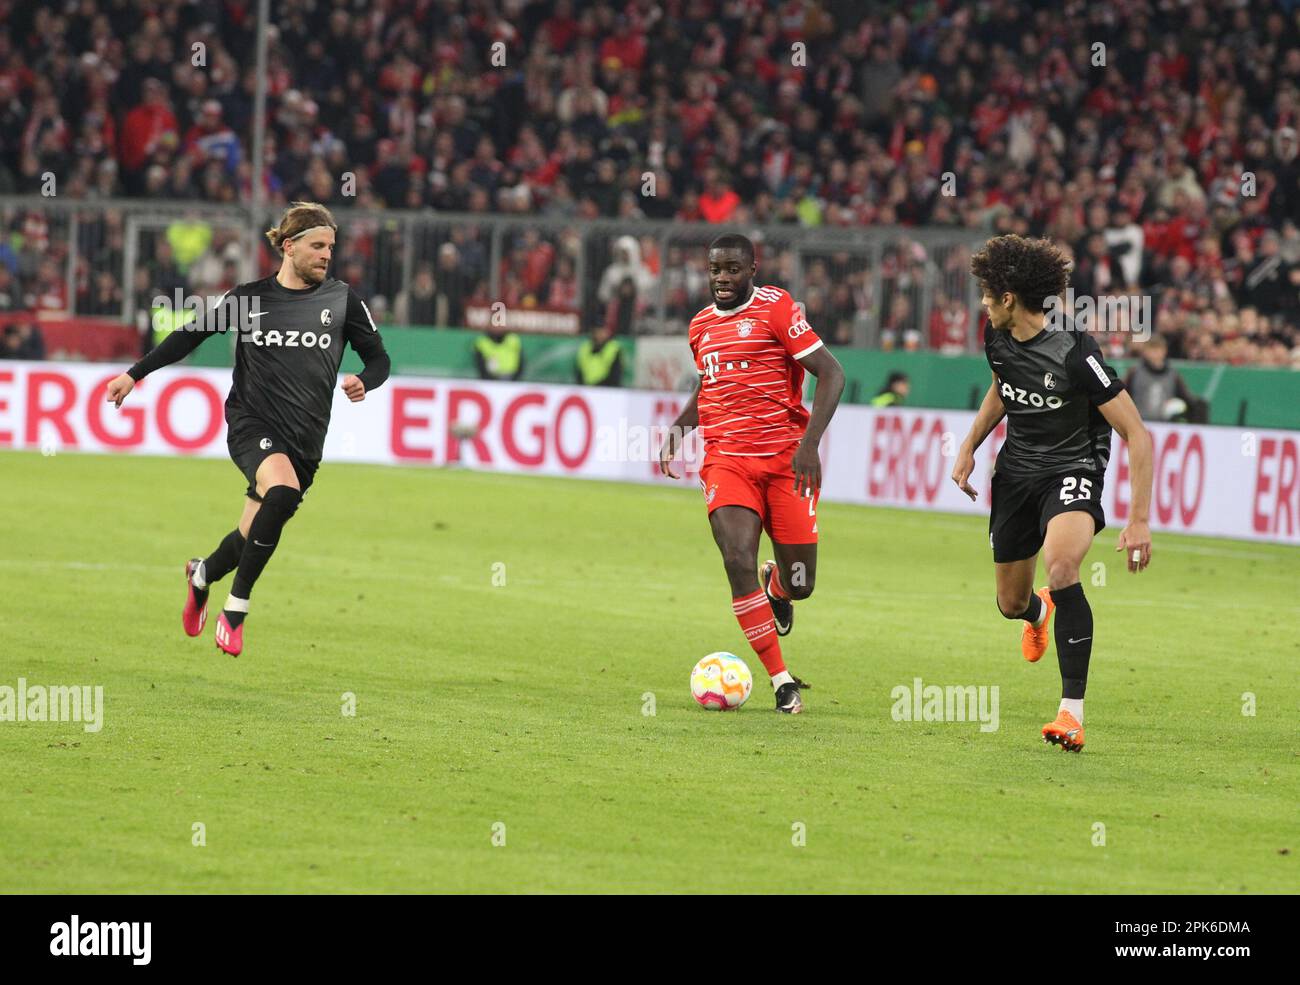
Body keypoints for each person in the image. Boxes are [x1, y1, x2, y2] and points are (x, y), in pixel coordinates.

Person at [104, 202, 391, 657]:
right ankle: (235, 609)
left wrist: (364, 380)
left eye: (331, 247)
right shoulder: (250, 299)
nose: (326, 255)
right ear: (289, 246)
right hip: (250, 423)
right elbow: (191, 333)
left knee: (250, 534)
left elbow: (380, 359)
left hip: (305, 440)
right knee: (279, 491)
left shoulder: (342, 300)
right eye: (317, 245)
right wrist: (134, 375)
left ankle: (202, 575)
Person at [951, 235, 1153, 752]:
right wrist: (970, 445)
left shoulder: (1075, 350)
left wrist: (1140, 520)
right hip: (1015, 475)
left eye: (987, 294)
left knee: (1061, 568)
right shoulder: (994, 337)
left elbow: (1137, 434)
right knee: (1010, 601)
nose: (982, 303)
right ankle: (1038, 615)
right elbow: (1004, 385)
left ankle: (1071, 714)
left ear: (1010, 299)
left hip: (1073, 467)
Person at [658, 233, 845, 714]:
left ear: (752, 269)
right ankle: (781, 680)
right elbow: (710, 383)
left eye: (733, 269)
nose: (723, 278)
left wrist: (809, 445)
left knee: (801, 582)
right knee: (736, 555)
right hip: (728, 460)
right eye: (716, 269)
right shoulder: (699, 326)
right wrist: (679, 431)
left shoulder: (778, 309)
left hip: (785, 462)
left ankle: (776, 586)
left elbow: (832, 373)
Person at [1123, 334, 1203, 422]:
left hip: (1165, 424)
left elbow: (1187, 398)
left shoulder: (1172, 375)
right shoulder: (1135, 372)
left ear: (1164, 351)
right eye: (1152, 349)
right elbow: (1123, 396)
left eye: (1158, 349)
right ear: (1145, 351)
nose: (1155, 353)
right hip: (1139, 421)